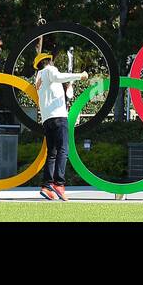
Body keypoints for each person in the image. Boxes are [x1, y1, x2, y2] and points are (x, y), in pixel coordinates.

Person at [34, 51, 88, 201]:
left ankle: (46, 186)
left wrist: (67, 85)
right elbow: (58, 76)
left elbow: (56, 85)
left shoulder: (38, 78)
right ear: (48, 62)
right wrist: (80, 75)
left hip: (47, 119)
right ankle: (59, 184)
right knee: (63, 150)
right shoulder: (50, 70)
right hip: (58, 116)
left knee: (52, 153)